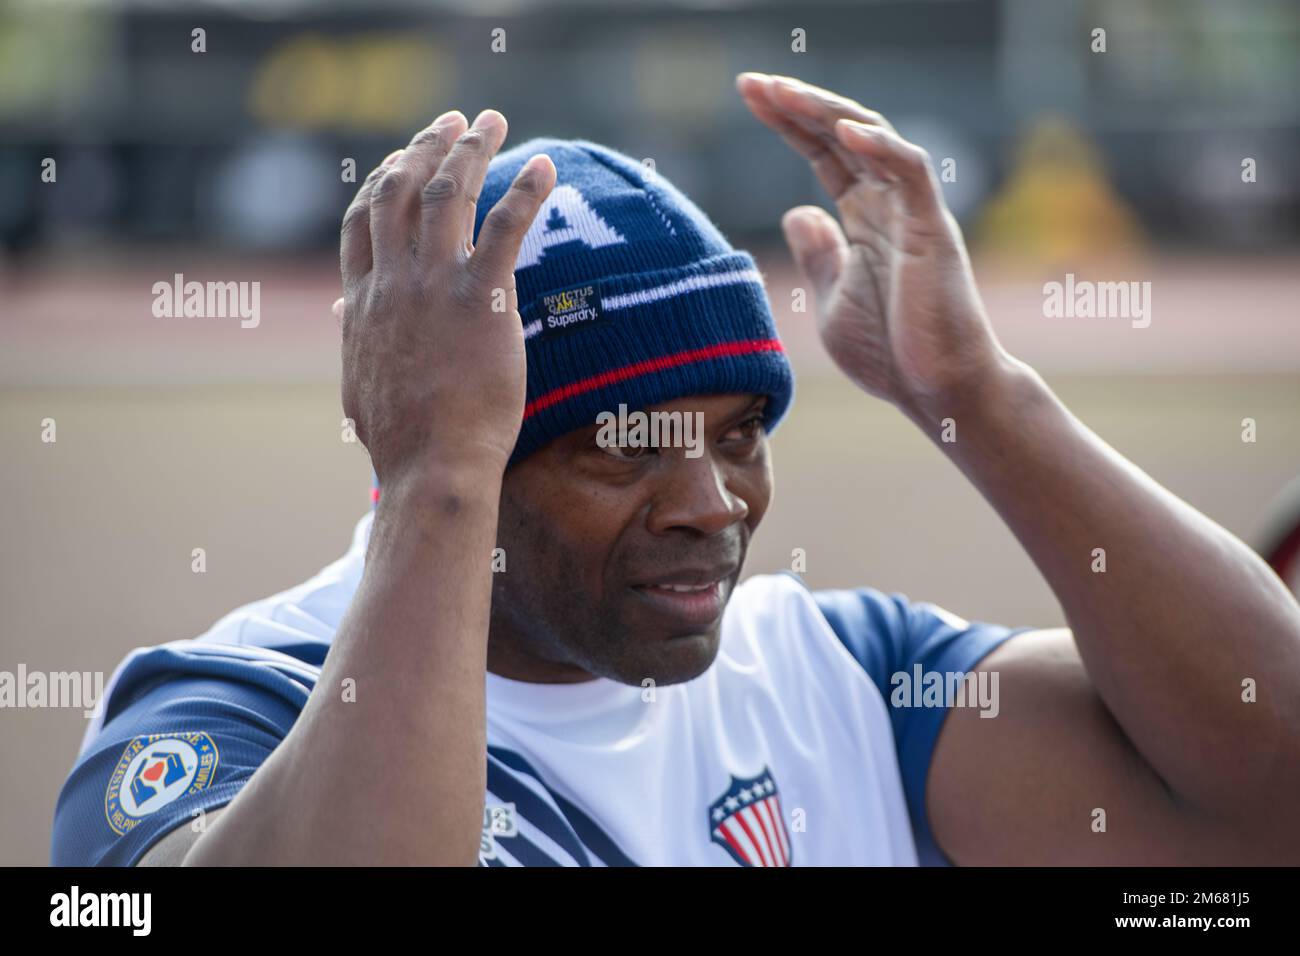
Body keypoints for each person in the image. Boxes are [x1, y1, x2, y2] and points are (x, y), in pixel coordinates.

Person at [51, 73, 1300, 867]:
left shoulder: (840, 680)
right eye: (624, 442)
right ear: (469, 441)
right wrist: (433, 475)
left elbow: (1267, 792)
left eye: (741, 431)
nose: (712, 504)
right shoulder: (223, 713)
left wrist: (977, 393)